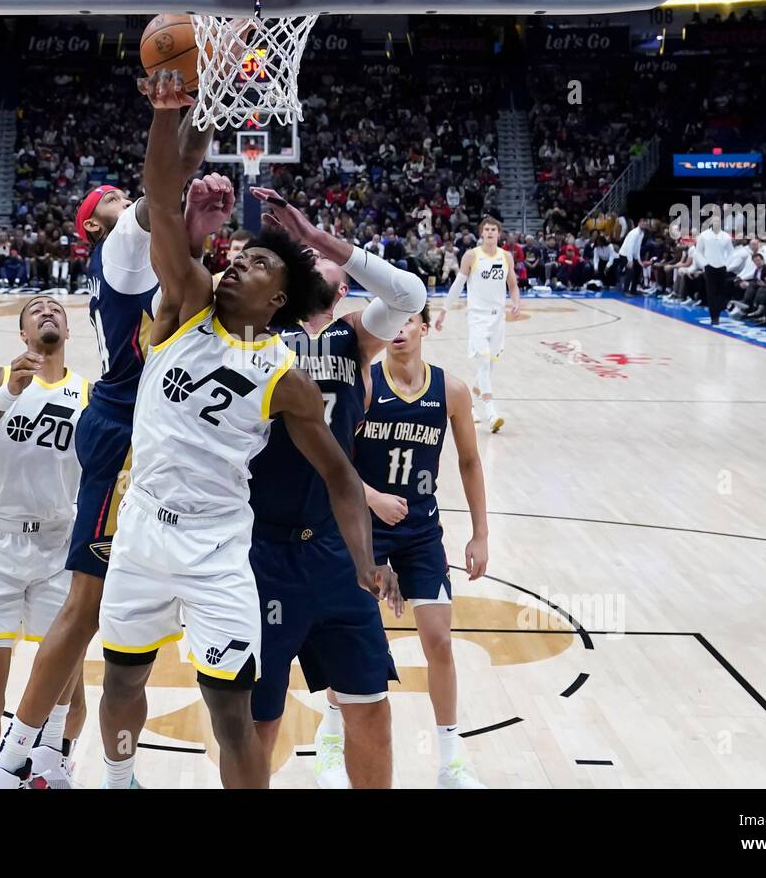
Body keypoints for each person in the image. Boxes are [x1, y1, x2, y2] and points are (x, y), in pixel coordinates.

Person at [96, 70, 394, 789]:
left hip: (220, 548)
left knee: (231, 715)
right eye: (237, 256)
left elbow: (340, 478)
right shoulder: (188, 305)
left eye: (255, 262)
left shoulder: (286, 381)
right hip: (141, 531)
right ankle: (118, 780)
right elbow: (162, 207)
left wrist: (363, 560)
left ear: (281, 297)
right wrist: (169, 113)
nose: (235, 265)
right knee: (123, 683)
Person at [0, 74, 219, 787]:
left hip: (157, 437)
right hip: (122, 437)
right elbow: (161, 176)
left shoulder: (157, 247)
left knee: (125, 627)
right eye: (112, 199)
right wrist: (168, 108)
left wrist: (210, 103)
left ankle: (67, 757)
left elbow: (177, 174)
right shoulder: (121, 250)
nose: (130, 199)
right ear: (96, 224)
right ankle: (12, 751)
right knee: (85, 604)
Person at [244, 186, 424, 789]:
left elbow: (410, 294)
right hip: (260, 547)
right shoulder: (255, 334)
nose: (316, 266)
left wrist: (324, 238)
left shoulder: (356, 337)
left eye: (325, 264)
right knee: (259, 717)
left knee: (370, 706)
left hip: (335, 549)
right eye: (305, 260)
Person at [0, 295, 91, 788]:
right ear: (23, 334)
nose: (47, 311)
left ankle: (52, 772)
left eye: (56, 308)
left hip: (58, 548)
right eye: (36, 309)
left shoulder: (88, 394)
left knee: (69, 702)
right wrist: (7, 392)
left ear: (68, 332)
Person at [354, 304, 489, 788]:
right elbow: (333, 457)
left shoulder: (450, 390)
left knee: (440, 641)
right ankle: (331, 744)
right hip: (366, 530)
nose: (398, 330)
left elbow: (470, 462)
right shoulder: (364, 384)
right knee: (358, 645)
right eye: (390, 322)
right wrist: (371, 497)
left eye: (408, 321)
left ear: (424, 328)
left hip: (421, 531)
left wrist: (480, 533)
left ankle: (451, 760)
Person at [434, 217, 521, 433]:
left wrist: (516, 303)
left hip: (498, 318)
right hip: (477, 317)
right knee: (483, 362)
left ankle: (469, 403)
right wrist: (444, 310)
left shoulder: (505, 256)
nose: (490, 232)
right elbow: (458, 285)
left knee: (488, 365)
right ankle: (492, 412)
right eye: (487, 229)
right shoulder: (472, 255)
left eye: (494, 229)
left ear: (499, 233)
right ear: (481, 233)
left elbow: (513, 285)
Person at [696, 215, 733, 325]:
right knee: (711, 292)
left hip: (722, 266)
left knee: (721, 292)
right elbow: (698, 251)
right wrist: (704, 264)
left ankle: (719, 310)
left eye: (718, 221)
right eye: (714, 221)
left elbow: (730, 252)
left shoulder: (726, 236)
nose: (716, 223)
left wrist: (726, 263)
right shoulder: (704, 235)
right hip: (709, 267)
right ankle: (714, 317)